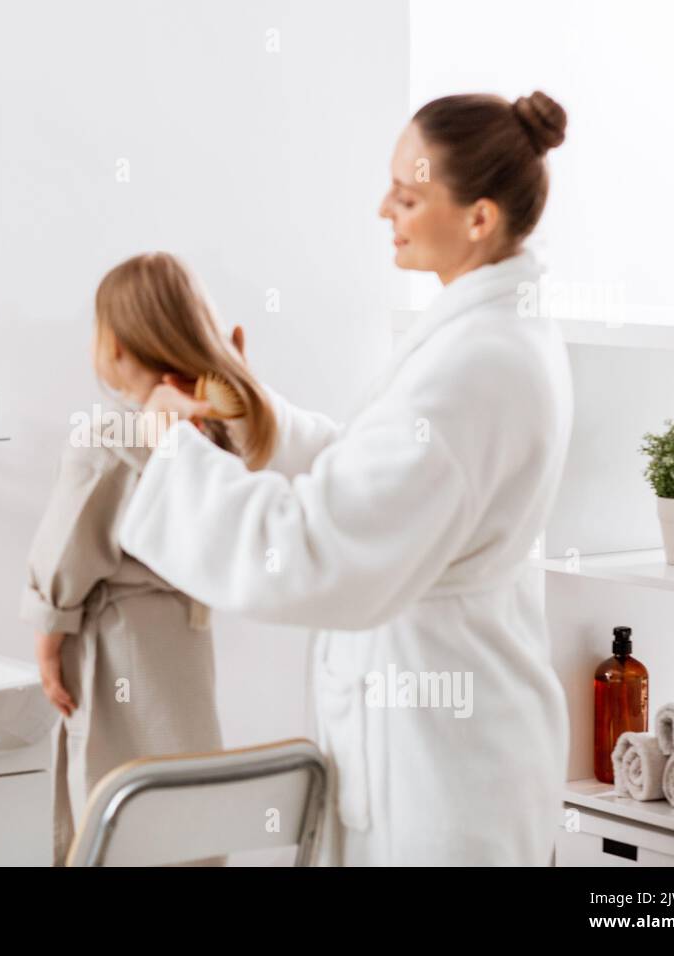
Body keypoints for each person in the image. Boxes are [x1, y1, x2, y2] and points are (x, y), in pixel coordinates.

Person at [119, 92, 574, 865]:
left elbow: (317, 549)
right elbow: (371, 469)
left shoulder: (479, 364)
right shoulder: (476, 334)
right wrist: (247, 416)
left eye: (407, 195)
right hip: (443, 735)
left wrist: (177, 448)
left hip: (443, 777)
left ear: (479, 218)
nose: (381, 209)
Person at [20, 252, 277, 866]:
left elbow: (66, 546)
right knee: (183, 777)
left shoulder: (108, 440)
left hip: (114, 643)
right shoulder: (209, 436)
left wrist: (48, 637)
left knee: (114, 793)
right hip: (186, 645)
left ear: (116, 349)